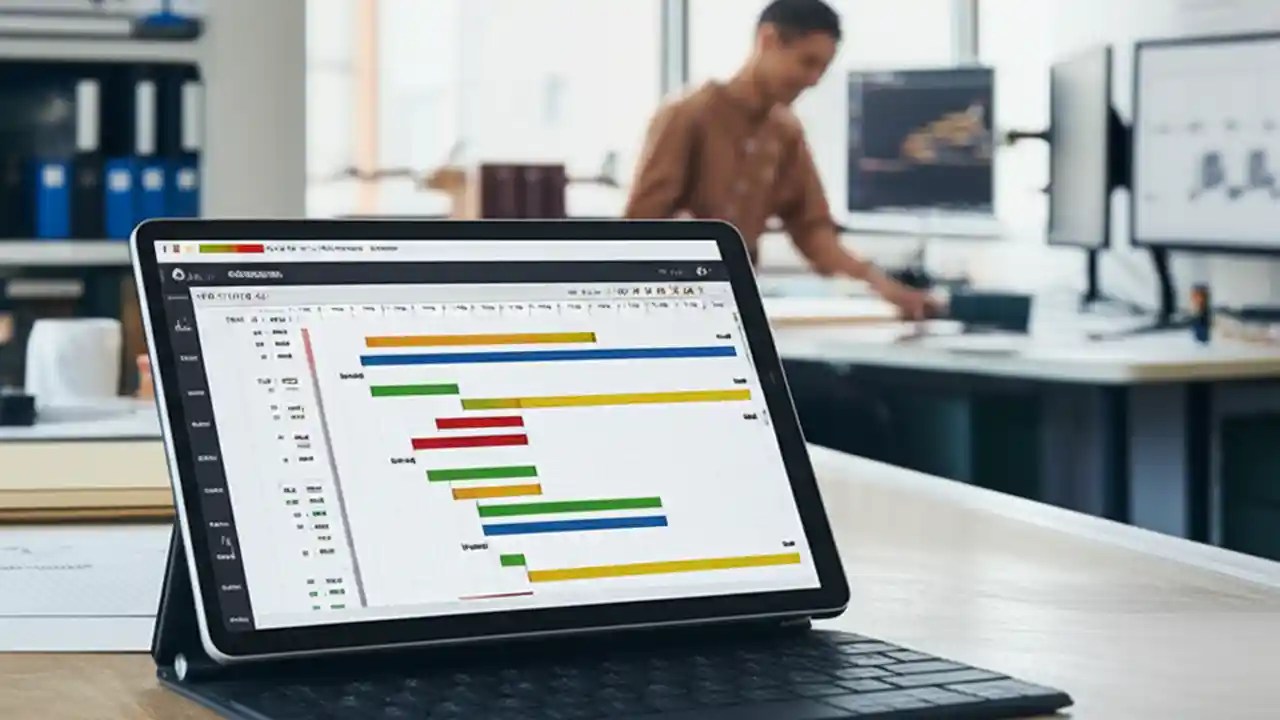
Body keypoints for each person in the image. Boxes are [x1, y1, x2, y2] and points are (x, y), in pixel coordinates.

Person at [625, 0, 937, 319]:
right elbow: (639, 226)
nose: (814, 79)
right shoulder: (687, 115)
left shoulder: (785, 131)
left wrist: (886, 288)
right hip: (672, 303)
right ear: (768, 40)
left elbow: (813, 230)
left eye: (822, 69)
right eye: (807, 62)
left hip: (736, 302)